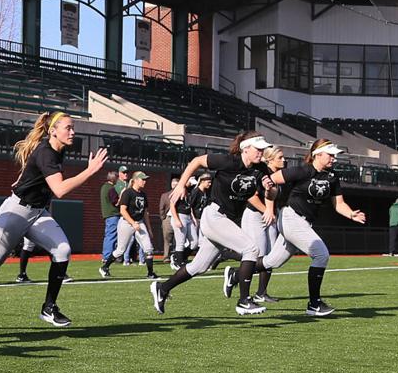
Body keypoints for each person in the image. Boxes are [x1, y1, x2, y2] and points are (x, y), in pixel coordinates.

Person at [0, 111, 107, 328]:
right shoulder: (47, 152)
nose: (73, 132)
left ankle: (49, 308)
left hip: (37, 212)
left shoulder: (56, 151)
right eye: (68, 128)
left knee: (62, 251)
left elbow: (34, 175)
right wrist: (89, 171)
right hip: (16, 212)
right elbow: (59, 190)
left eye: (72, 127)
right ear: (53, 131)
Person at [149, 132, 272, 317]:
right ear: (245, 148)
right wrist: (181, 184)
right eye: (258, 148)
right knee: (251, 250)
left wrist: (271, 189)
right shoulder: (229, 161)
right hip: (214, 216)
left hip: (227, 221)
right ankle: (244, 300)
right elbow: (197, 161)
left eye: (263, 148)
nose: (261, 151)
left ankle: (163, 288)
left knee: (199, 266)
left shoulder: (261, 168)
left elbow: (272, 193)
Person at [262, 140, 366, 316]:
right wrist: (269, 207)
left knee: (272, 262)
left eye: (334, 155)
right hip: (290, 218)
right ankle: (314, 304)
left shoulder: (332, 177)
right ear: (318, 154)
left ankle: (236, 274)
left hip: (303, 222)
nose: (333, 158)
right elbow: (269, 181)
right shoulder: (302, 170)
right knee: (321, 254)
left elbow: (339, 204)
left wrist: (350, 214)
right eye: (330, 154)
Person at [243, 145, 285, 303]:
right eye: (279, 157)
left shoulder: (278, 176)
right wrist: (266, 210)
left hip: (270, 217)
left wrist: (272, 212)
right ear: (269, 159)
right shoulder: (261, 172)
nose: (283, 160)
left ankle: (261, 292)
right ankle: (233, 272)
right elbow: (251, 196)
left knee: (271, 257)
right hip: (255, 215)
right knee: (257, 254)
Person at [101, 171, 157, 279]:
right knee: (120, 250)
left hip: (139, 223)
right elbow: (122, 210)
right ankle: (105, 267)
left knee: (148, 247)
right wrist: (132, 223)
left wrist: (149, 229)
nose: (145, 182)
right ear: (135, 180)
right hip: (126, 223)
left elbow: (145, 213)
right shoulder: (128, 193)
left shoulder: (143, 194)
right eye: (142, 179)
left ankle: (150, 273)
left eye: (145, 179)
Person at [169, 176, 198, 272]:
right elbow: (172, 204)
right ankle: (179, 262)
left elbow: (189, 206)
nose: (191, 184)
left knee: (194, 243)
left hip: (188, 217)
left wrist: (192, 217)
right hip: (180, 215)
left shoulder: (189, 190)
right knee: (180, 242)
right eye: (190, 182)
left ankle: (177, 257)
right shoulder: (179, 189)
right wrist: (177, 219)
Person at [99, 169, 120, 264]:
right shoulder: (111, 188)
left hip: (107, 214)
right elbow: (115, 202)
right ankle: (107, 256)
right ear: (114, 178)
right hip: (113, 214)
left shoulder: (103, 187)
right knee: (111, 236)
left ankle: (106, 255)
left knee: (108, 235)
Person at [158, 178, 177, 257]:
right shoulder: (165, 195)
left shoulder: (183, 194)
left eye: (176, 184)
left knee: (178, 239)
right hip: (168, 218)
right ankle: (166, 256)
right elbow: (161, 208)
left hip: (178, 218)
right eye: (173, 184)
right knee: (167, 239)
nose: (174, 186)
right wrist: (163, 218)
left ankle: (177, 256)